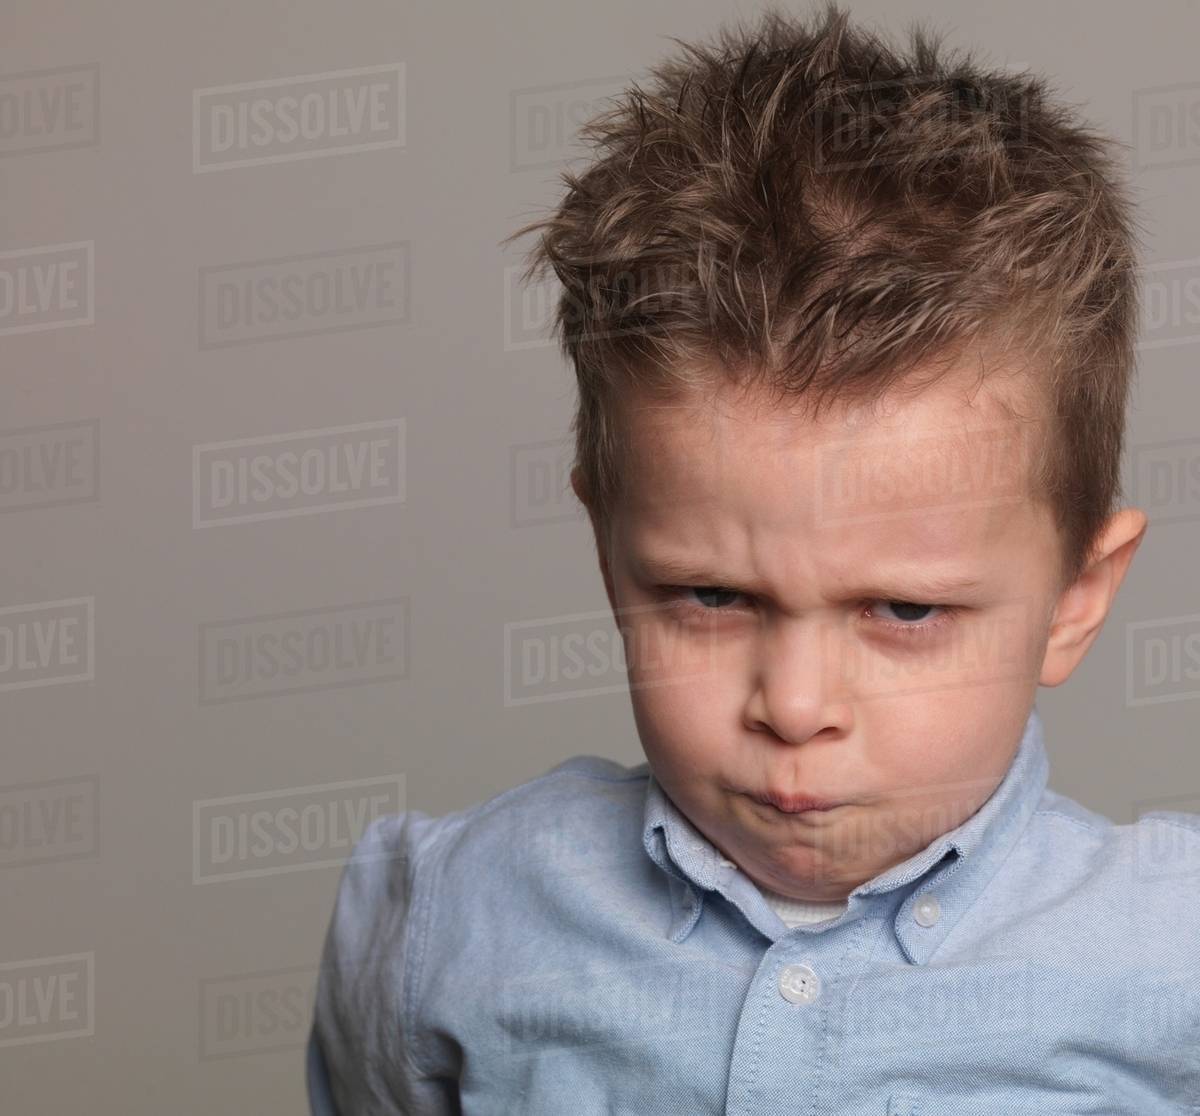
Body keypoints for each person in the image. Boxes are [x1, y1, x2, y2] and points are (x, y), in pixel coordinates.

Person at [306, 4, 1200, 1111]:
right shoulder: (445, 920)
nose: (794, 706)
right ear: (607, 549)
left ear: (1076, 599)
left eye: (905, 612)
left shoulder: (1172, 961)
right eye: (711, 594)